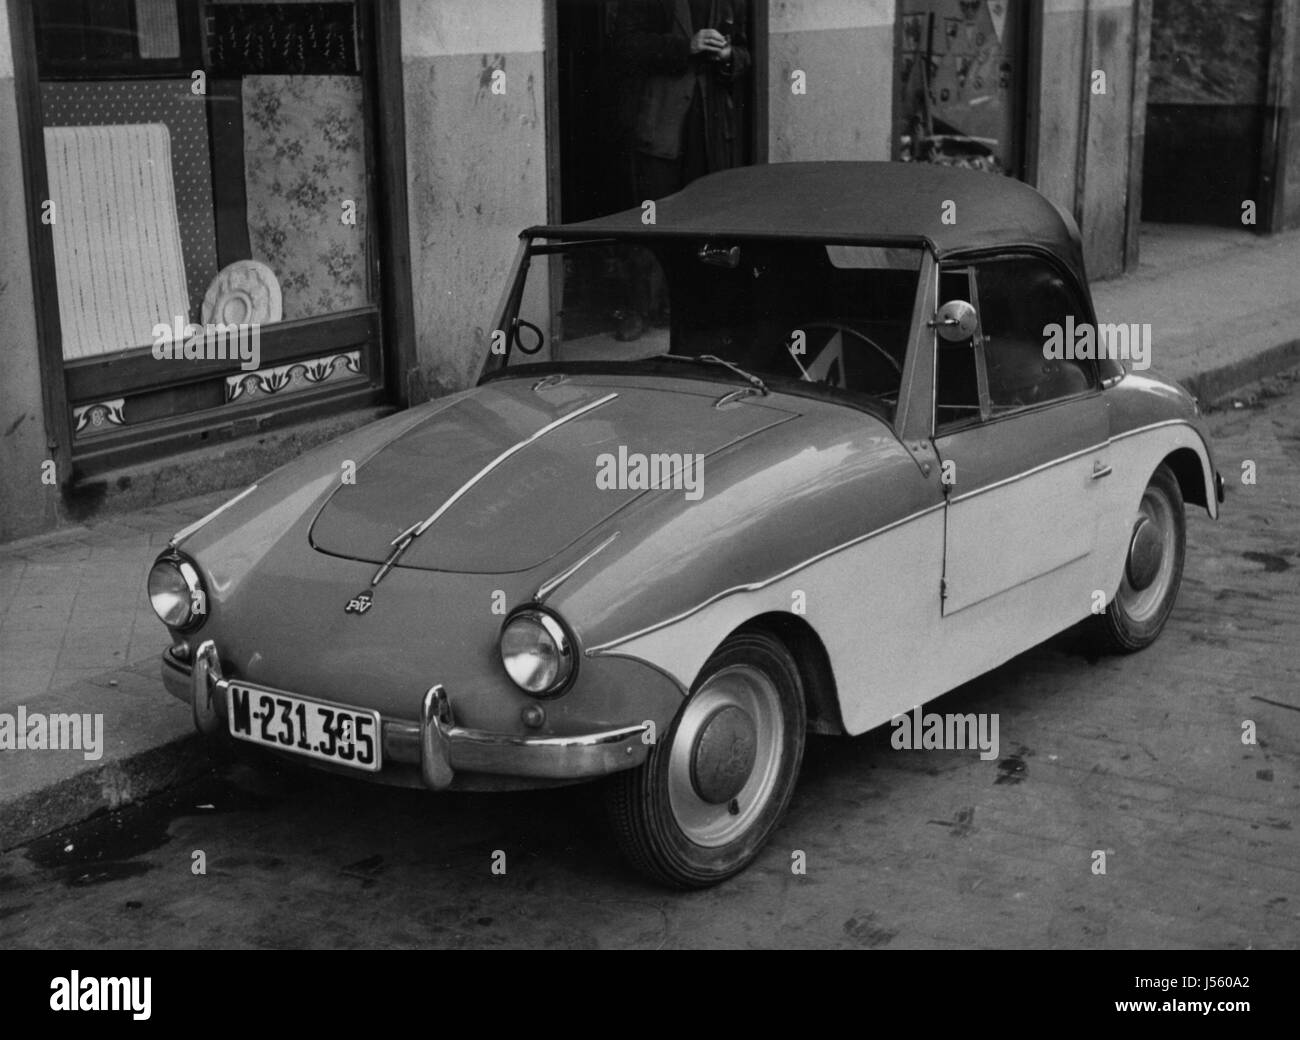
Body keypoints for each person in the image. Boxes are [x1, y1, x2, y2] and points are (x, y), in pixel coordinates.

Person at [613, 0, 750, 340]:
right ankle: (641, 308)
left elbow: (747, 54)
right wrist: (684, 47)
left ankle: (697, 308)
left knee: (706, 218)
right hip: (661, 124)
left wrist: (729, 55)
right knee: (650, 217)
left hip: (711, 128)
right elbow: (623, 47)